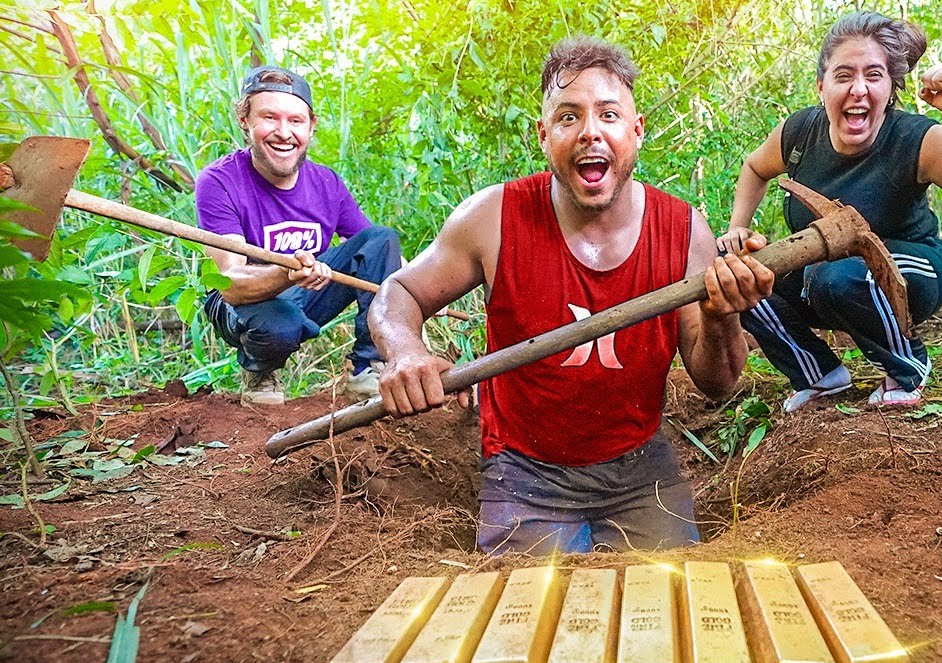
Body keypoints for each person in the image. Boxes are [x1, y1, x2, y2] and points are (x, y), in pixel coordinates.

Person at [370, 37, 774, 556]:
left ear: (636, 129)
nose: (590, 132)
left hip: (639, 466)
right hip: (525, 470)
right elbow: (398, 292)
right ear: (543, 135)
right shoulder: (493, 219)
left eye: (609, 114)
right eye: (568, 117)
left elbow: (717, 383)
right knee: (534, 614)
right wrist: (406, 352)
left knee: (677, 598)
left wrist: (722, 317)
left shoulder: (683, 230)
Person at [720, 11, 942, 412]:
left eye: (874, 75)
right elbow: (755, 168)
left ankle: (908, 367)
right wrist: (737, 228)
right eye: (844, 76)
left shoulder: (917, 140)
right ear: (821, 86)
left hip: (913, 272)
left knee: (834, 276)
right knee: (736, 277)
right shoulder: (799, 133)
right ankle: (818, 374)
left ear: (891, 87)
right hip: (826, 277)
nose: (858, 89)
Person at [195, 65, 401, 406]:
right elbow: (229, 284)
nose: (283, 132)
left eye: (295, 121)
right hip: (245, 303)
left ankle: (369, 367)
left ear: (311, 126)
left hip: (309, 289)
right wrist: (285, 273)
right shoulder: (219, 181)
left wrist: (414, 287)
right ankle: (260, 371)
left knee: (381, 238)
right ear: (245, 121)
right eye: (269, 118)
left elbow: (378, 253)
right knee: (281, 322)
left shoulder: (326, 182)